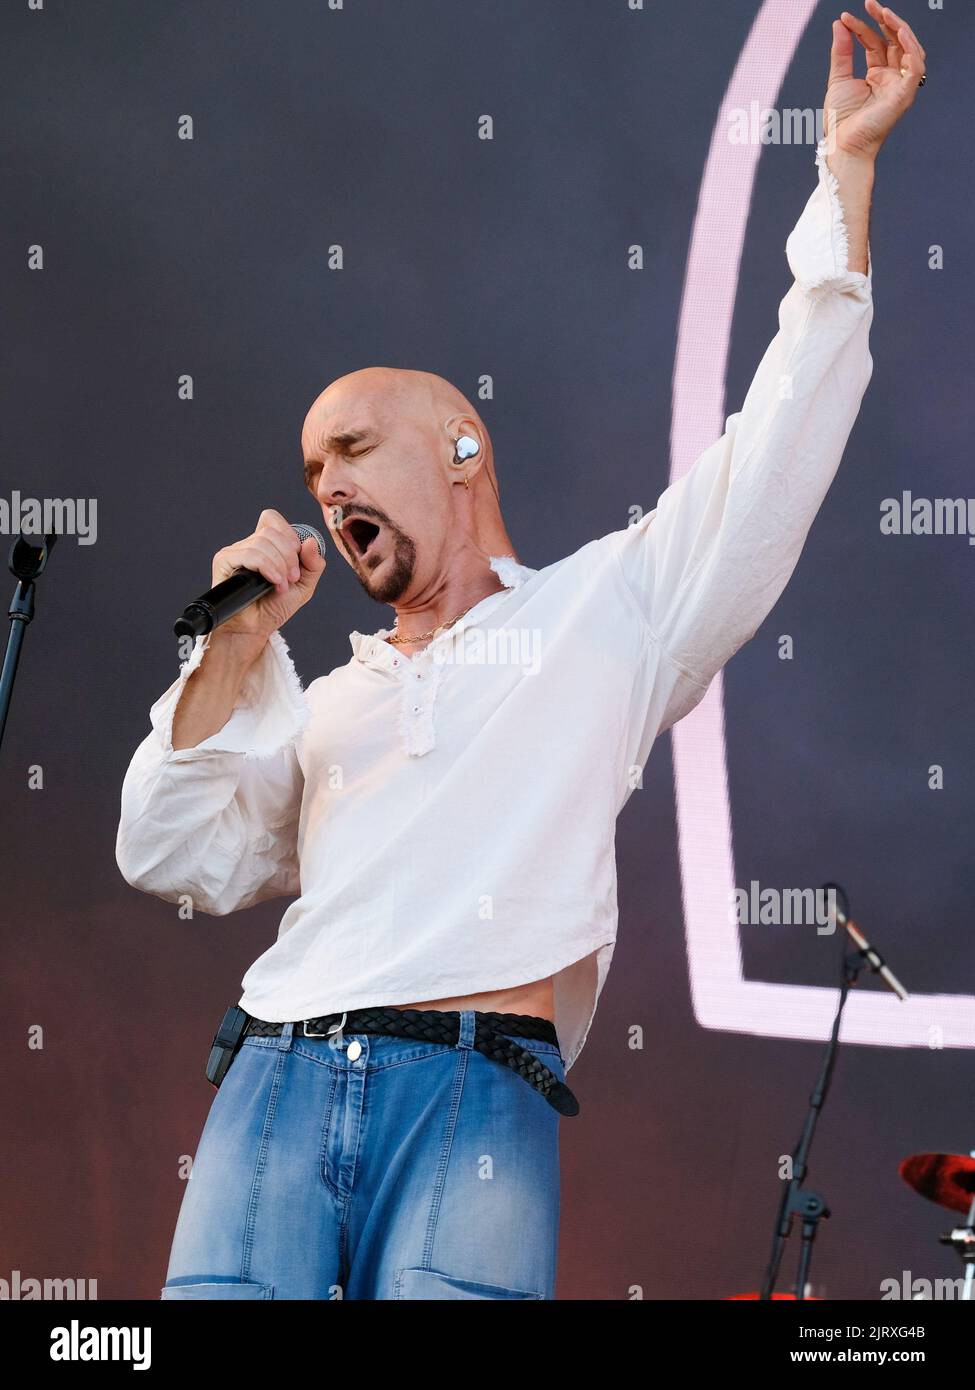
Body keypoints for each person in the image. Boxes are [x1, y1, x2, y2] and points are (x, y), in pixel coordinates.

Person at [116, 3, 924, 1300]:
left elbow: (784, 436)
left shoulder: (610, 608)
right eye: (311, 472)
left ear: (458, 446)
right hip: (272, 1070)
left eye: (351, 448)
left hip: (473, 1093)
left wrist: (845, 173)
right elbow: (170, 854)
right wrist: (230, 642)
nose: (326, 485)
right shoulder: (325, 701)